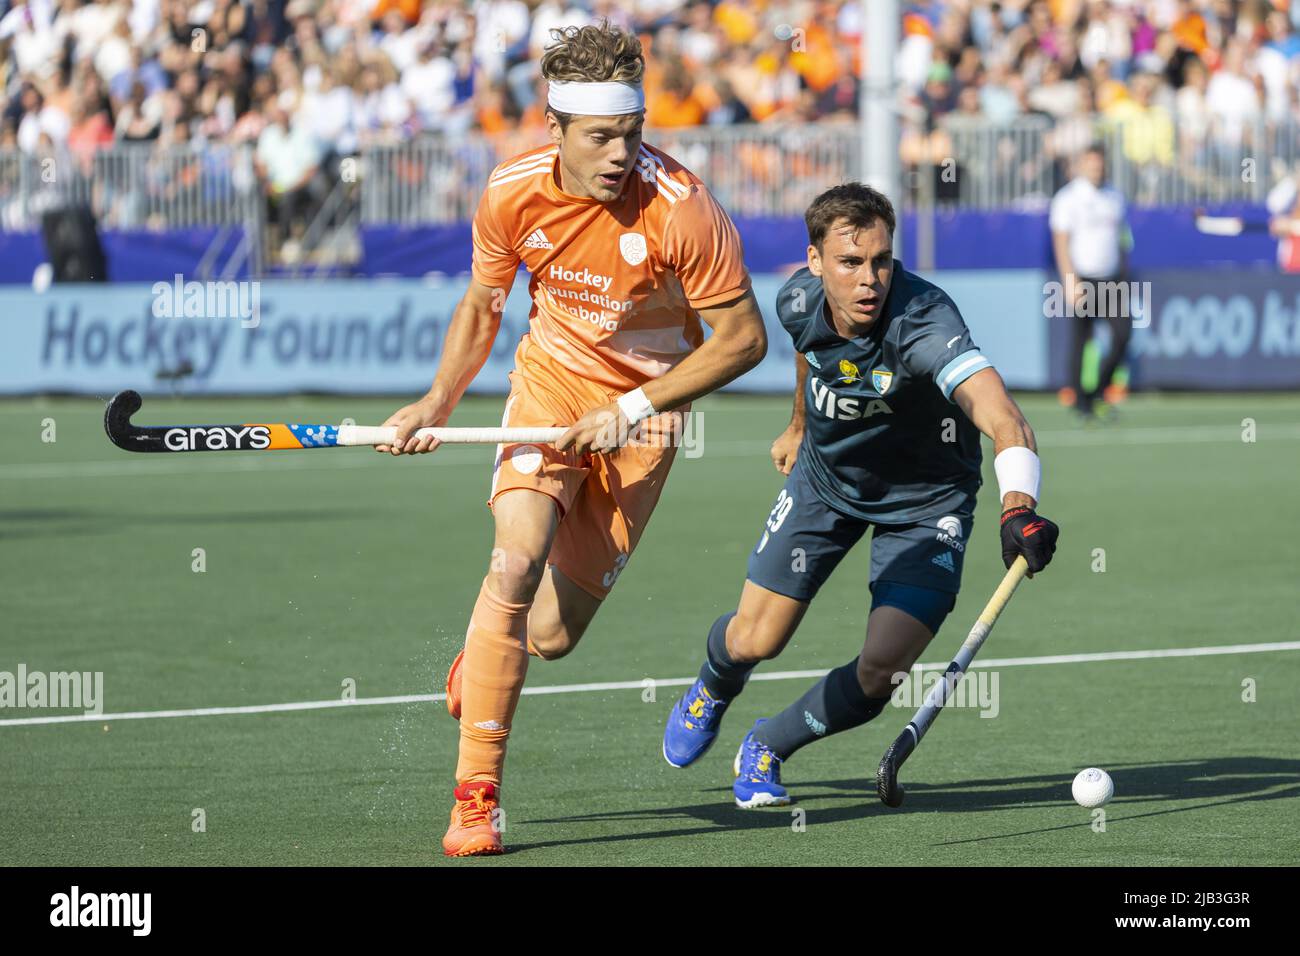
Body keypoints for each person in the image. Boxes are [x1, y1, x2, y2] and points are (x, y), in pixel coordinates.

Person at [378, 22, 767, 856]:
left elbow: (743, 342)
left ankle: (486, 655)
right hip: (549, 386)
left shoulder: (684, 210)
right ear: (554, 129)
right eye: (599, 137)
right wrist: (435, 402)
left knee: (549, 636)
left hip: (650, 414)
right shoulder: (512, 191)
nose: (620, 153)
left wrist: (630, 410)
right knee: (514, 562)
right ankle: (476, 799)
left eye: (631, 133)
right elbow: (483, 307)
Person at [660, 183, 1059, 808]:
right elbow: (808, 352)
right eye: (850, 262)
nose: (869, 278)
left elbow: (1004, 417)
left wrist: (1018, 508)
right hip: (826, 483)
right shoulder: (796, 297)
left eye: (880, 260)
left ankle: (767, 744)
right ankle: (714, 683)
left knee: (882, 672)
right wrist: (797, 425)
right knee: (755, 640)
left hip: (928, 505)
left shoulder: (925, 321)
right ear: (816, 262)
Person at [1049, 144, 1133, 418]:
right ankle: (1080, 400)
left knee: (1123, 334)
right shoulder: (1069, 197)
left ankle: (1099, 389)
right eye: (1092, 164)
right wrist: (1069, 280)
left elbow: (1121, 239)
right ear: (1082, 165)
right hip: (1083, 277)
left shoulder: (1114, 196)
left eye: (1100, 164)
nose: (1097, 169)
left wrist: (1124, 272)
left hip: (1111, 277)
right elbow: (1061, 242)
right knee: (1081, 339)